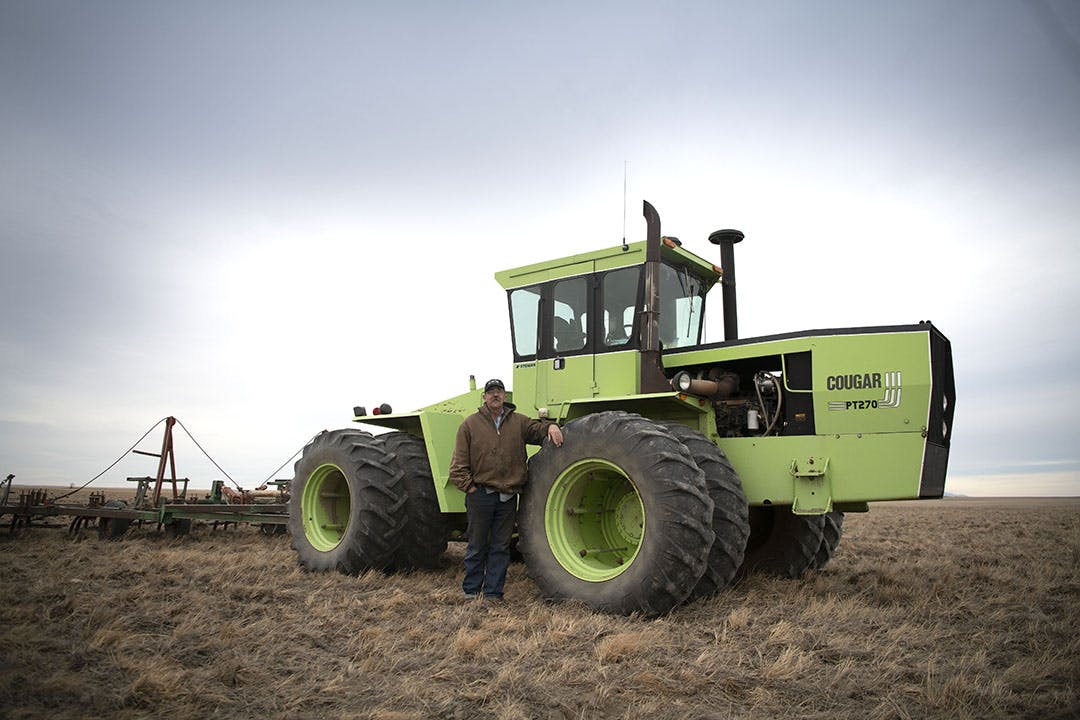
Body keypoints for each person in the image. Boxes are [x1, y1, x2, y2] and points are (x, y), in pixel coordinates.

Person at [449, 378, 563, 600]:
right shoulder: (470, 425)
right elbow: (458, 464)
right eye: (491, 392)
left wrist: (550, 426)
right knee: (477, 545)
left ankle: (493, 593)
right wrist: (470, 488)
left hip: (508, 497)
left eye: (499, 391)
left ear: (504, 396)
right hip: (481, 495)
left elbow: (537, 430)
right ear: (484, 397)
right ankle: (471, 591)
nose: (495, 395)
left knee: (500, 548)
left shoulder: (518, 422)